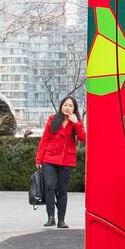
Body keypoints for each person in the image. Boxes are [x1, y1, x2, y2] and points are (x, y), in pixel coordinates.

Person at [35, 96, 85, 229]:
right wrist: (39, 159)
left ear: (74, 109)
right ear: (61, 106)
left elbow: (83, 137)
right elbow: (44, 139)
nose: (67, 107)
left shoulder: (76, 121)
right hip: (49, 158)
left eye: (70, 106)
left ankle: (61, 220)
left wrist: (76, 122)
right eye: (65, 105)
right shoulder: (53, 119)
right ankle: (50, 217)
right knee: (50, 187)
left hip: (66, 160)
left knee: (62, 190)